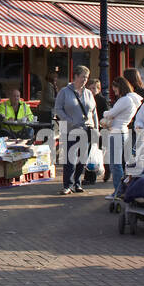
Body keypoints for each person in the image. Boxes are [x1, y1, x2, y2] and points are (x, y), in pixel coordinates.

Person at [53, 65, 97, 195]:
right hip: (70, 130)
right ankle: (68, 185)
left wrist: (95, 126)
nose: (85, 80)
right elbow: (58, 109)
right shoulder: (64, 92)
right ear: (76, 76)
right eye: (83, 77)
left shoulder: (88, 93)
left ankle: (78, 183)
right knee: (70, 158)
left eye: (86, 78)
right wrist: (69, 120)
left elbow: (93, 111)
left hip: (87, 130)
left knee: (82, 158)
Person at [100, 75, 141, 199]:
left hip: (117, 132)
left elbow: (110, 113)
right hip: (123, 131)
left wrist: (106, 113)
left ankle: (118, 190)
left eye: (114, 88)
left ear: (119, 86)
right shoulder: (132, 99)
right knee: (122, 164)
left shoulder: (125, 100)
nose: (114, 90)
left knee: (115, 164)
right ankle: (123, 189)